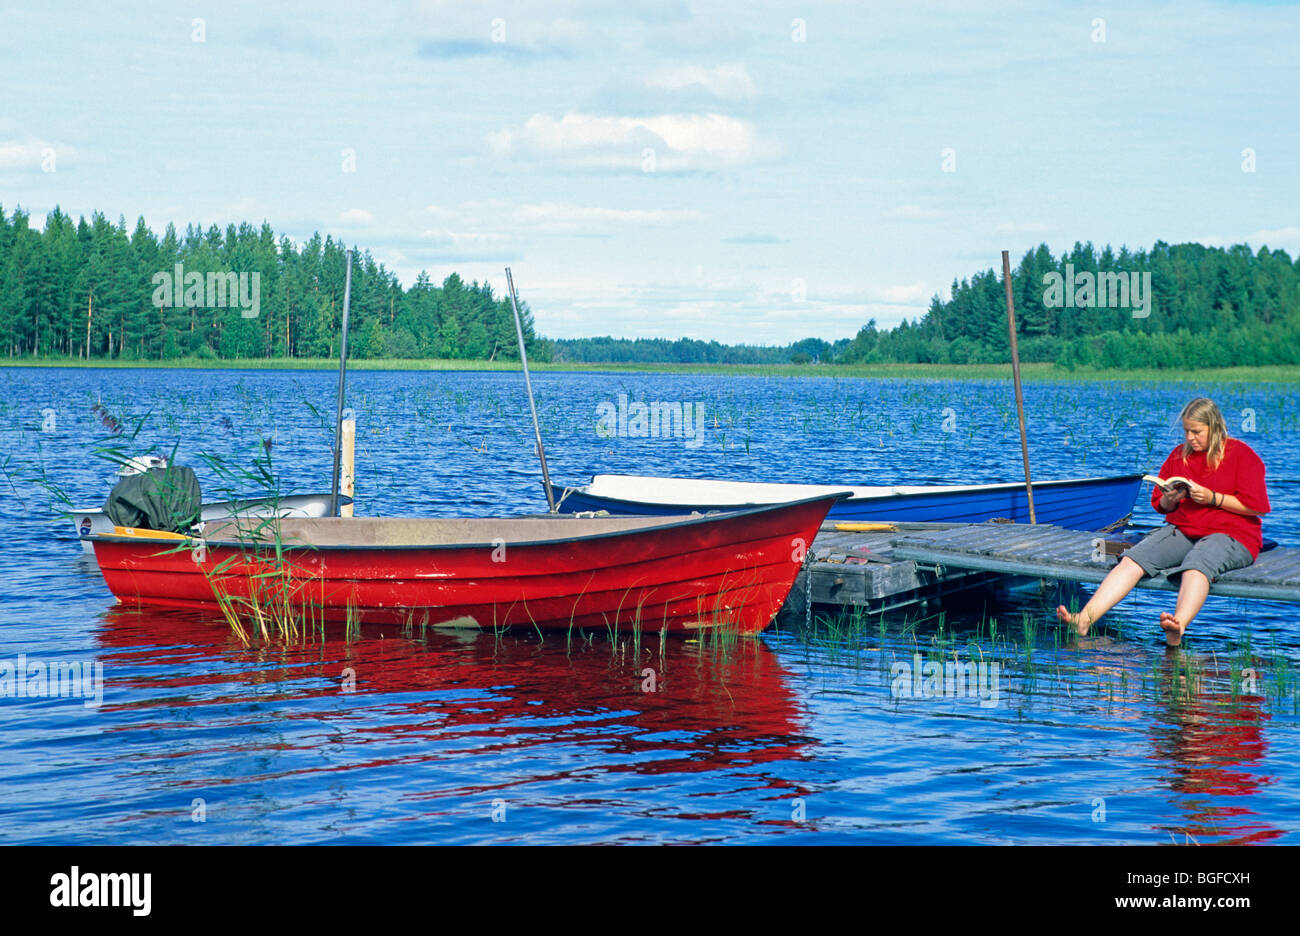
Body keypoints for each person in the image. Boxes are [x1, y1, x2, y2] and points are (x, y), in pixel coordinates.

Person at [1056, 397, 1270, 646]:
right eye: (1186, 431)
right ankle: (1084, 619)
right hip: (1186, 529)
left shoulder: (1241, 454)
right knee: (1132, 558)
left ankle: (1177, 626)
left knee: (1197, 563)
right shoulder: (1179, 456)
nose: (1190, 438)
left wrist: (1212, 498)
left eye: (1197, 432)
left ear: (1215, 427)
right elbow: (1161, 506)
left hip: (1233, 534)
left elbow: (1256, 507)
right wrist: (1170, 499)